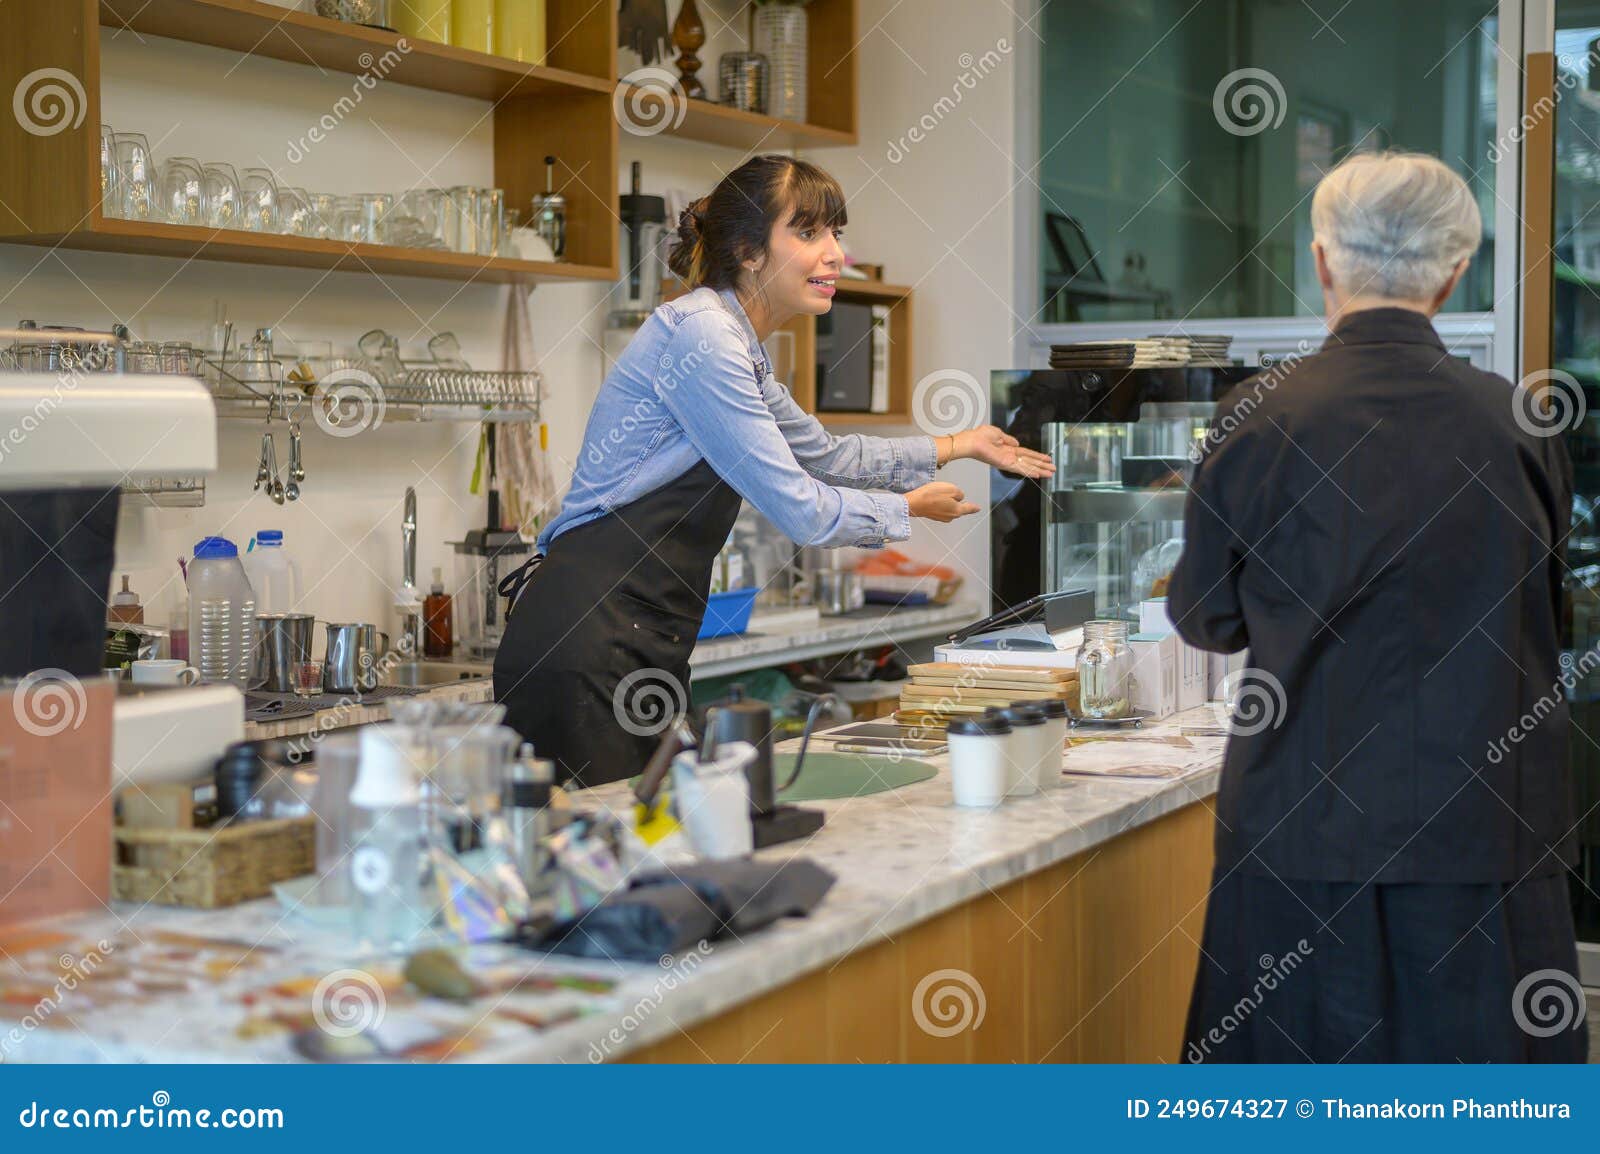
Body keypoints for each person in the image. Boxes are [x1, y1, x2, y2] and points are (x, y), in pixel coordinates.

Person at [1168, 150, 1585, 1062]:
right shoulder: (1521, 422)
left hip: (1301, 830)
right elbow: (1546, 618)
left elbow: (1205, 618)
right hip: (1486, 831)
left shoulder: (1255, 416)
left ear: (1321, 263)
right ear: (1456, 271)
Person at [494, 155, 1052, 788]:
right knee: (606, 867)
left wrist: (961, 442)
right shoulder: (704, 338)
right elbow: (801, 508)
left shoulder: (738, 345)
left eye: (836, 232)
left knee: (655, 851)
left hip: (637, 636)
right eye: (810, 232)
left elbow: (825, 456)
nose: (836, 253)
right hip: (585, 640)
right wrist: (909, 509)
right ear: (749, 250)